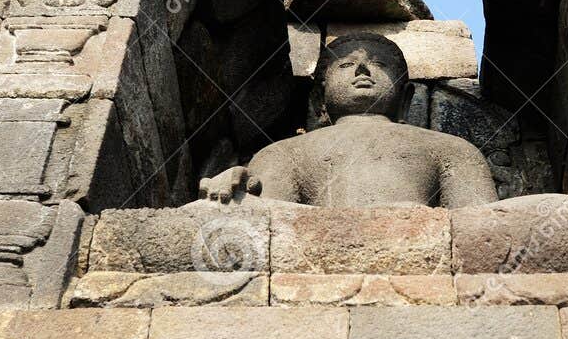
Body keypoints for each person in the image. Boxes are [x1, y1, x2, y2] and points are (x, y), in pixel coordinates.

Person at [199, 32, 499, 208]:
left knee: (545, 211)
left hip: (424, 243)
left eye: (379, 64)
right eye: (346, 65)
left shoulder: (452, 150)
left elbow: (483, 225)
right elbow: (270, 219)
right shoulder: (283, 152)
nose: (362, 70)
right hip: (315, 247)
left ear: (407, 98)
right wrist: (235, 194)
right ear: (319, 99)